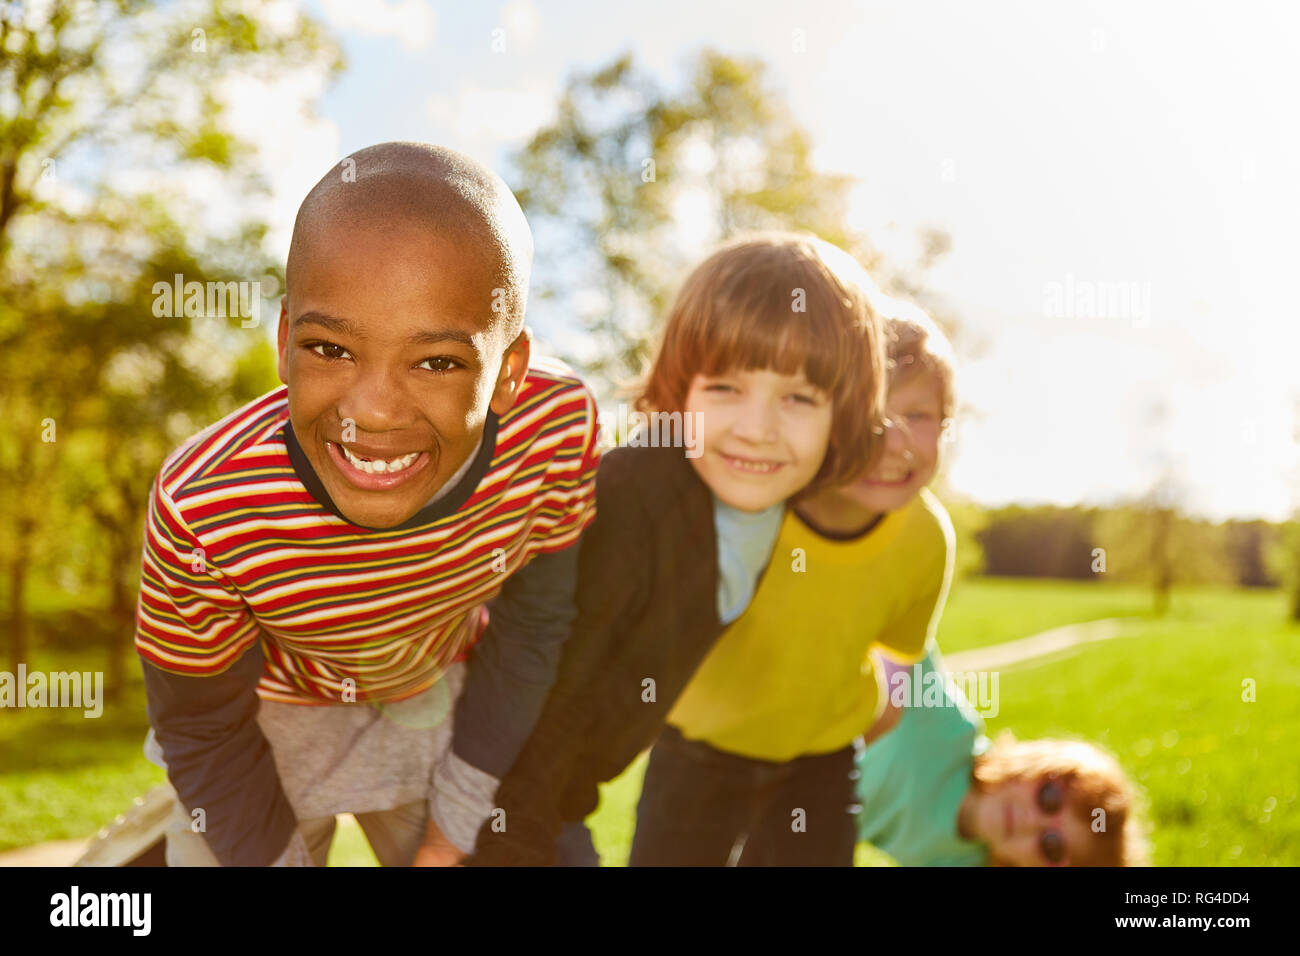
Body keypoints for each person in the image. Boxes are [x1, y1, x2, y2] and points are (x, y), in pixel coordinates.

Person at [134, 142, 601, 867]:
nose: (373, 413)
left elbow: (536, 624)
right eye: (330, 350)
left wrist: (453, 830)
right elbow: (201, 724)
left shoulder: (556, 427)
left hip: (439, 699)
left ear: (508, 372)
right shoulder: (205, 504)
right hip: (266, 724)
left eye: (438, 361)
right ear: (285, 340)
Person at [467, 232, 887, 866]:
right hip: (484, 786)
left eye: (798, 397)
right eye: (726, 388)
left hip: (552, 793)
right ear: (681, 386)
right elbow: (547, 699)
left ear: (843, 414)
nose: (757, 428)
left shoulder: (771, 506)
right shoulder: (637, 500)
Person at [626, 303, 955, 866]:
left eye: (921, 416)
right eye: (870, 417)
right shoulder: (757, 500)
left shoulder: (927, 539)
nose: (896, 441)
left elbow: (899, 652)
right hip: (698, 748)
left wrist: (861, 716)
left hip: (821, 762)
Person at [857, 646, 1151, 866]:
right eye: (1048, 798)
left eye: (1051, 846)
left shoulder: (965, 861)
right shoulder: (947, 729)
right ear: (1036, 764)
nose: (1031, 821)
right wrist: (889, 702)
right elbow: (903, 624)